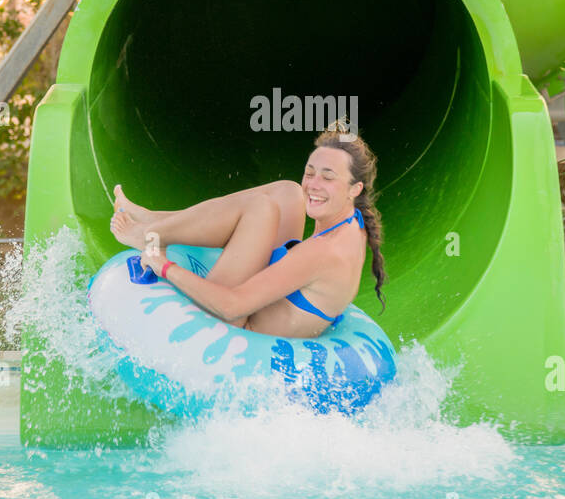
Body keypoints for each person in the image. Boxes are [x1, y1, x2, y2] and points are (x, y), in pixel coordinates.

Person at [108, 122, 388, 339]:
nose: (313, 184)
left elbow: (232, 306)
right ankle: (152, 220)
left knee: (260, 209)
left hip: (234, 325)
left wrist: (163, 265)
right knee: (289, 193)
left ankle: (149, 233)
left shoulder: (323, 251)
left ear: (355, 188)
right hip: (264, 300)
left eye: (328, 177)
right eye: (310, 172)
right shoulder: (354, 222)